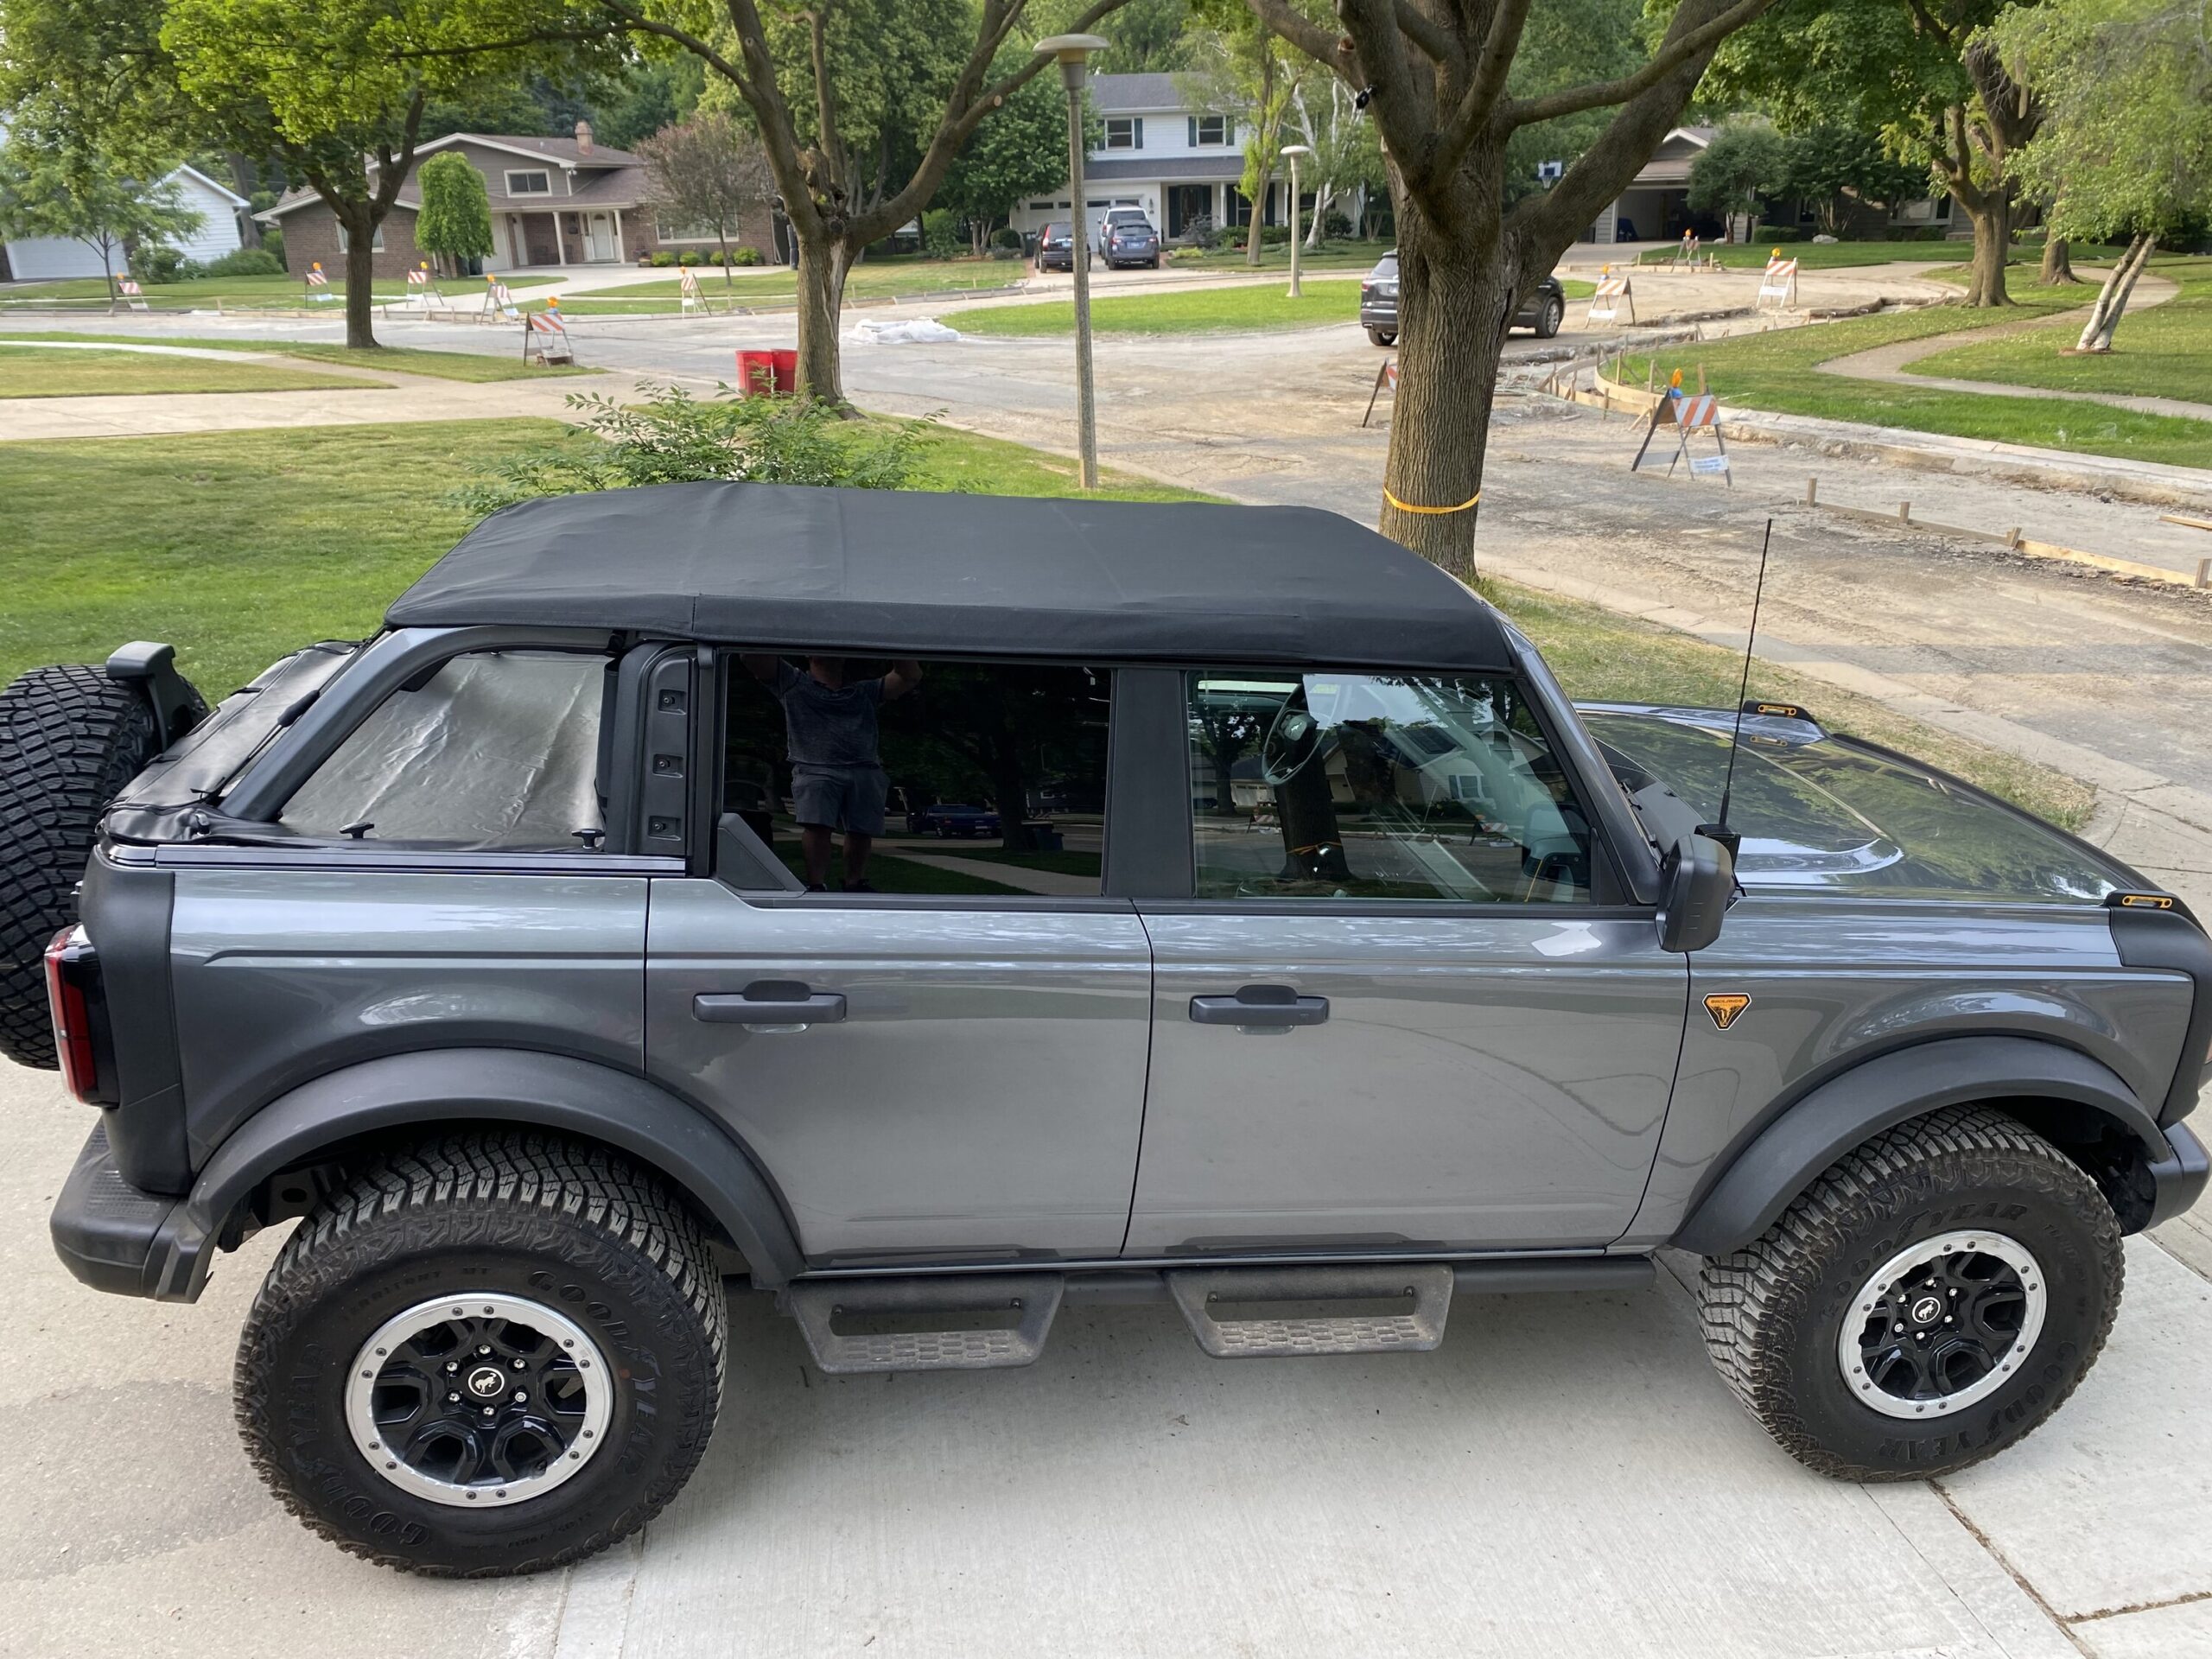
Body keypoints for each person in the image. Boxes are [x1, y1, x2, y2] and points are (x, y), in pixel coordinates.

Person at [743, 654, 922, 892]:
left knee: (861, 830)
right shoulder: (792, 681)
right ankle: (816, 884)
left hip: (864, 768)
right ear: (808, 653)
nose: (830, 650)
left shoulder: (863, 691)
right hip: (815, 767)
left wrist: (894, 642)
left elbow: (909, 677)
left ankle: (855, 883)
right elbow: (751, 656)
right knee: (817, 827)